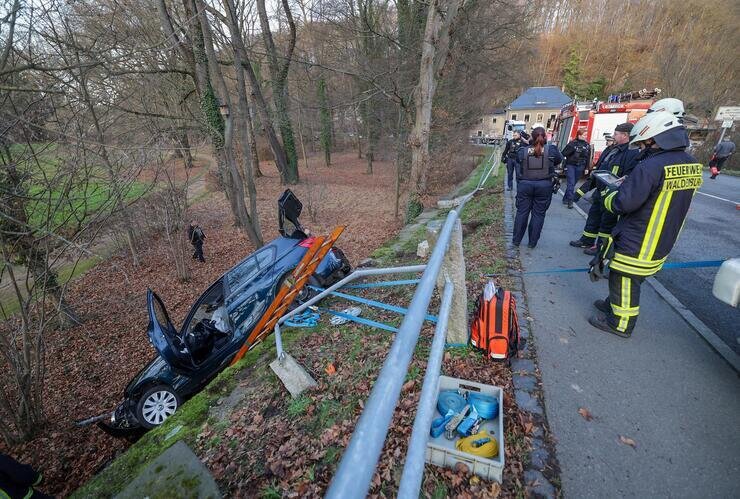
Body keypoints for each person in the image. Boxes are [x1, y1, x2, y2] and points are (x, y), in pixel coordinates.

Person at [588, 111, 702, 337]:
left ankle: (620, 324)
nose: (641, 149)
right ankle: (613, 304)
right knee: (628, 278)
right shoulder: (691, 163)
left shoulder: (651, 166)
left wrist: (609, 194)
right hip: (663, 237)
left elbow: (623, 204)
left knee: (625, 277)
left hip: (639, 238)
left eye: (643, 144)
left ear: (655, 139)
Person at [569, 123, 640, 255]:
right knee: (594, 217)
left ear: (625, 136)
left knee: (607, 222)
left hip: (612, 194)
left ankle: (601, 247)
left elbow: (628, 177)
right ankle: (587, 240)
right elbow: (601, 169)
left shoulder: (631, 153)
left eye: (616, 134)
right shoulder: (614, 150)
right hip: (601, 191)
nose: (614, 136)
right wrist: (584, 189)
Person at [512, 126, 563, 248]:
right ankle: (532, 243)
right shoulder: (551, 150)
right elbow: (558, 160)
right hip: (544, 186)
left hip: (525, 185)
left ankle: (516, 241)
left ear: (531, 137)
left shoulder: (522, 151)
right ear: (544, 137)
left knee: (522, 212)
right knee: (538, 214)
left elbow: (518, 161)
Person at [561, 129, 591, 209]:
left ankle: (565, 199)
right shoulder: (572, 144)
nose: (586, 137)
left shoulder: (587, 145)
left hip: (581, 166)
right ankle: (570, 201)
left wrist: (587, 168)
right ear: (579, 135)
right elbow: (563, 153)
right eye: (584, 135)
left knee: (573, 184)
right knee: (571, 183)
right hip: (571, 165)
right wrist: (573, 150)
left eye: (586, 135)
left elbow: (588, 158)